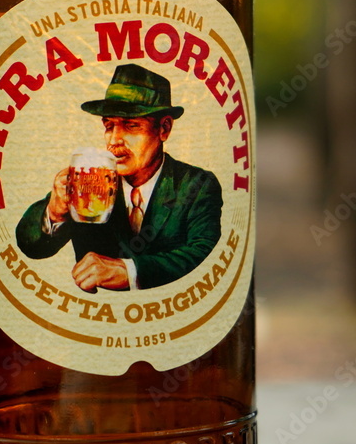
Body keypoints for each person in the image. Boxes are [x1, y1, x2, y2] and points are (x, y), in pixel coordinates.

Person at [16, 64, 223, 291]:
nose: (114, 140)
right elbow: (31, 247)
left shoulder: (197, 184)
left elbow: (205, 254)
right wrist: (54, 212)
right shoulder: (94, 180)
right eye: (109, 125)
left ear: (164, 129)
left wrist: (129, 271)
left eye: (131, 126)